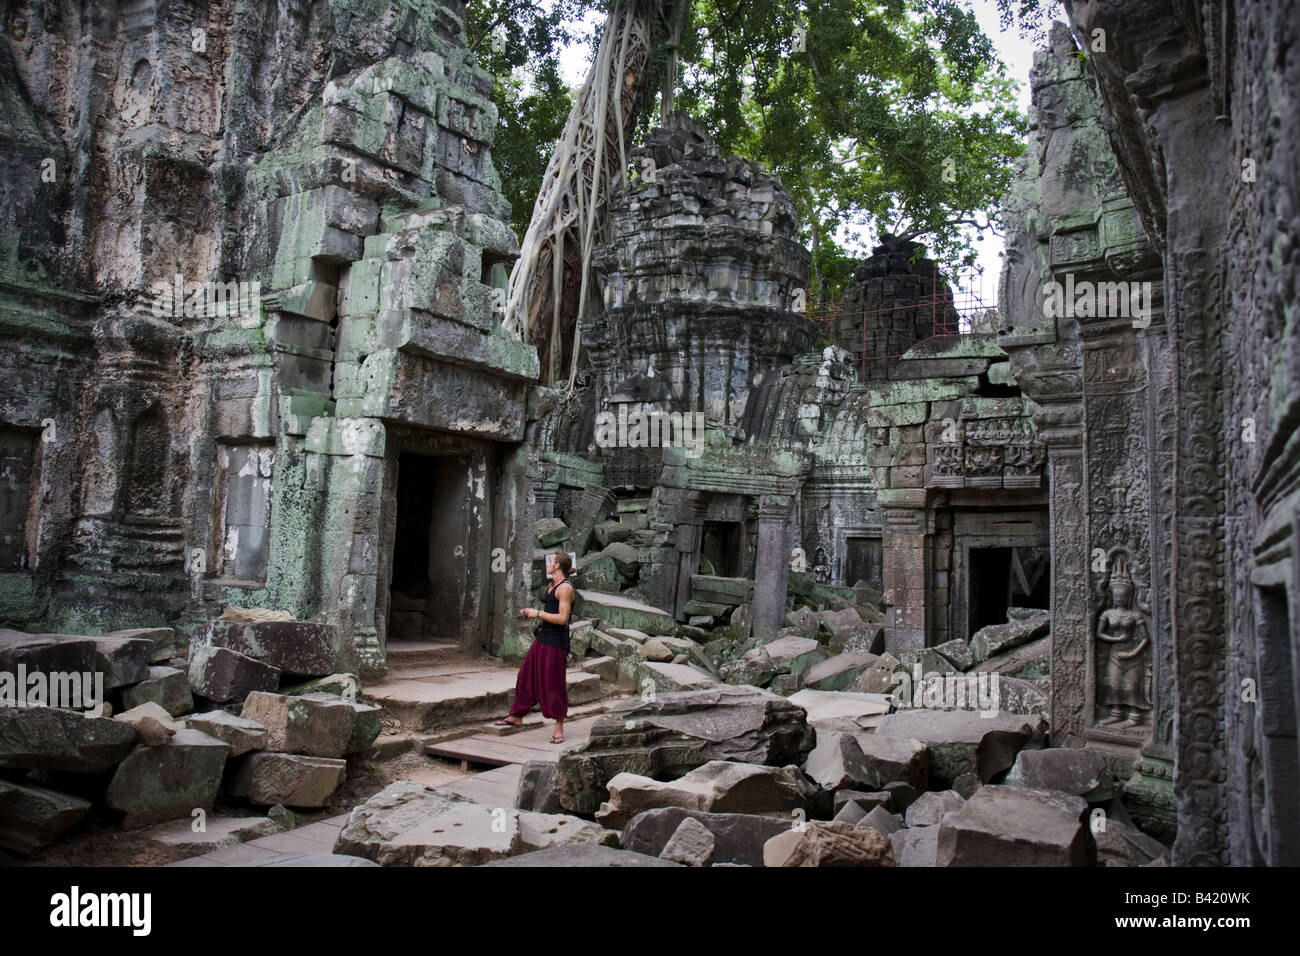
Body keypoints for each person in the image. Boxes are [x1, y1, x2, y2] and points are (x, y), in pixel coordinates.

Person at [495, 551, 573, 743]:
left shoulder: (565, 588)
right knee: (525, 675)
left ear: (556, 566)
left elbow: (563, 619)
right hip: (544, 638)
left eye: (551, 561)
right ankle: (517, 715)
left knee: (553, 683)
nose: (548, 563)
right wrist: (531, 613)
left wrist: (537, 613)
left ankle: (558, 726)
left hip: (556, 642)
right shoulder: (551, 585)